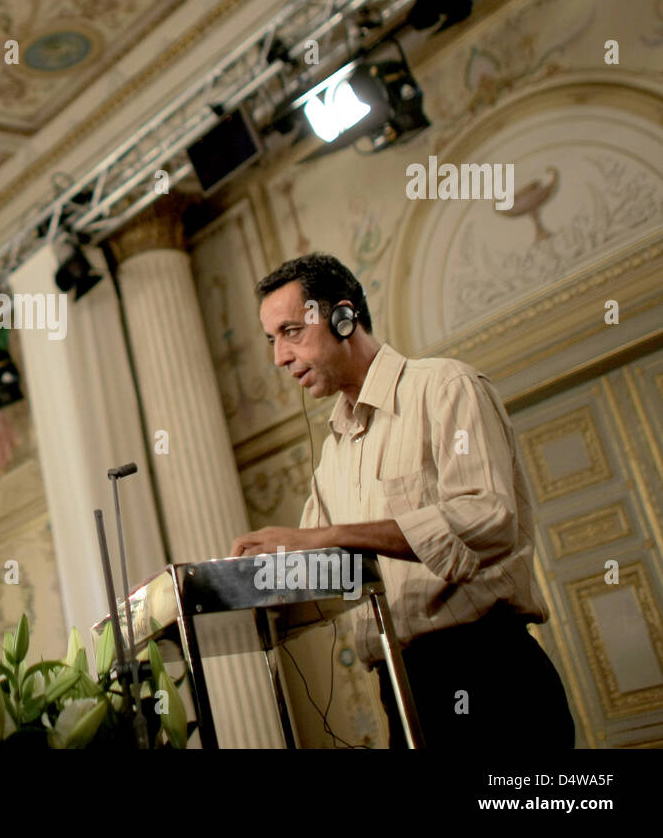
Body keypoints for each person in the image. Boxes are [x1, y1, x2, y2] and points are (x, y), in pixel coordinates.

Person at [231, 251, 574, 749]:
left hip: (492, 682)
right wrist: (232, 583)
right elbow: (319, 566)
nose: (279, 359)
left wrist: (330, 535)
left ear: (344, 318)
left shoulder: (445, 387)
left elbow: (488, 517)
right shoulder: (333, 452)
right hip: (403, 693)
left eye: (291, 332)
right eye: (272, 340)